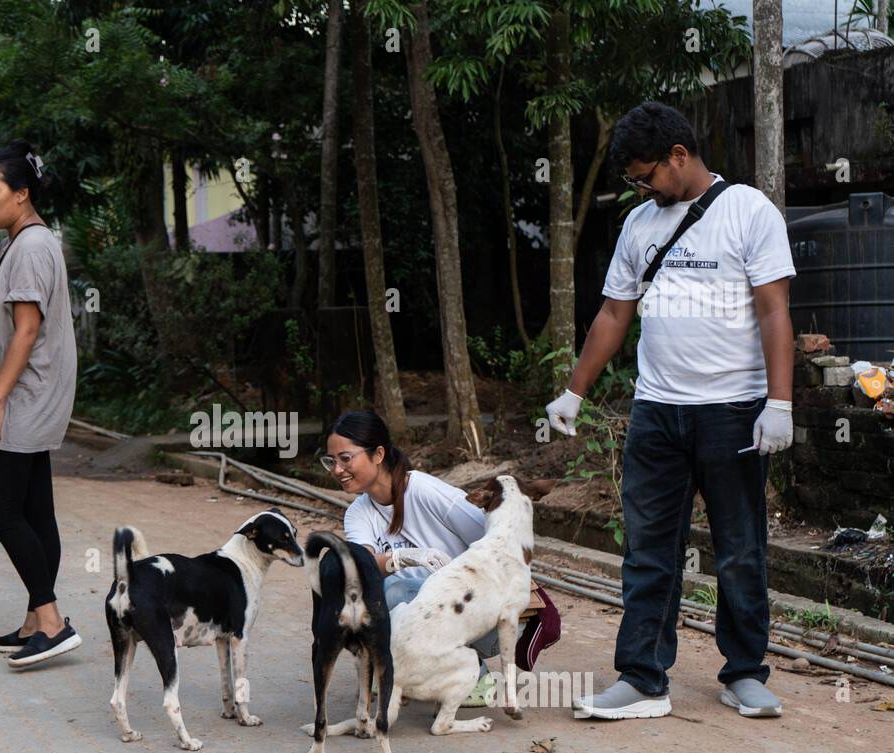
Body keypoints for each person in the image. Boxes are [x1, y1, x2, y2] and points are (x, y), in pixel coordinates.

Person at [546, 102, 796, 720]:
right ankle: (642, 677)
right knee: (649, 547)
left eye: (645, 175)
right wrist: (573, 391)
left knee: (740, 548)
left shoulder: (748, 211)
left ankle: (744, 673)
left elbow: (773, 310)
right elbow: (613, 313)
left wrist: (780, 403)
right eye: (634, 180)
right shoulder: (638, 225)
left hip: (732, 412)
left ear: (678, 157)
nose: (641, 188)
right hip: (657, 412)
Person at [0, 139, 81, 669]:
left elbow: (27, 329)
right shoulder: (13, 243)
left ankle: (51, 620)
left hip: (23, 398)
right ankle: (36, 618)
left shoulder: (30, 248)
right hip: (28, 396)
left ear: (22, 193)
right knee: (34, 509)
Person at [326, 410, 559, 703]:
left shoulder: (422, 489)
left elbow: (498, 539)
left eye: (345, 458)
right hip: (431, 619)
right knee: (365, 593)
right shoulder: (358, 513)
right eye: (331, 461)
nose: (337, 469)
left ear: (378, 454)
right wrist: (404, 558)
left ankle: (477, 673)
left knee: (396, 589)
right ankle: (412, 669)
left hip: (478, 614)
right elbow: (363, 565)